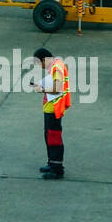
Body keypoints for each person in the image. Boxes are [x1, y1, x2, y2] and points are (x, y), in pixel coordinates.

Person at [31, 47, 71, 180]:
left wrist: (41, 89)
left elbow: (57, 89)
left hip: (54, 108)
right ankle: (52, 163)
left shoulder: (56, 68)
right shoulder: (56, 65)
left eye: (39, 64)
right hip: (51, 107)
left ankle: (57, 169)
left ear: (44, 60)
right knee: (49, 136)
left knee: (54, 138)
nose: (40, 67)